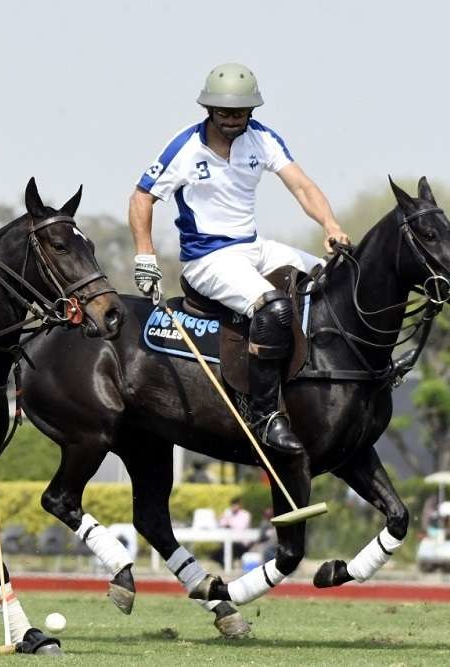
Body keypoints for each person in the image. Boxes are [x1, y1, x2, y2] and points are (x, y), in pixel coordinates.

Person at [128, 63, 351, 457]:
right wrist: (145, 254)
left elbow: (302, 185)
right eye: (225, 113)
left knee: (336, 276)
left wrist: (330, 225)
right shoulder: (185, 146)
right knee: (274, 308)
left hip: (251, 246)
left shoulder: (262, 139)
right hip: (206, 259)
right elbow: (142, 197)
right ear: (209, 109)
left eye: (241, 113)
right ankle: (265, 416)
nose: (233, 120)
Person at [212, 496, 252, 568]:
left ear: (240, 505)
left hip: (241, 543)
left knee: (227, 550)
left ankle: (229, 566)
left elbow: (241, 527)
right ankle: (227, 566)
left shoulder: (245, 515)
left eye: (236, 505)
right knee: (214, 555)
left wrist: (228, 521)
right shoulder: (228, 513)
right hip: (229, 541)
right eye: (233, 505)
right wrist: (220, 519)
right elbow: (221, 524)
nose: (234, 507)